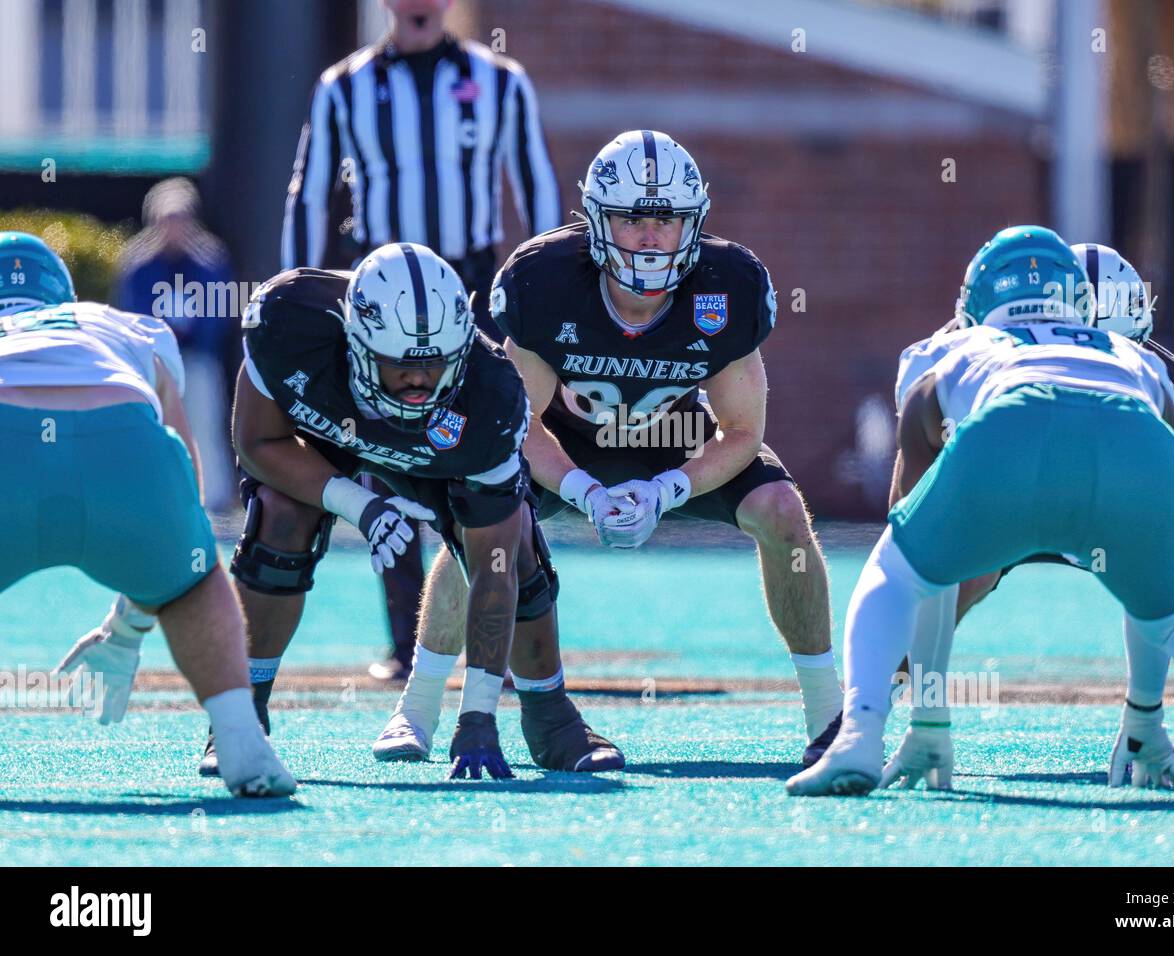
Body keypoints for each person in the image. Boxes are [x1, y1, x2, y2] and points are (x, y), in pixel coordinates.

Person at [377, 130, 842, 764]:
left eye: (667, 220)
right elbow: (517, 424)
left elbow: (741, 433)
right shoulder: (546, 282)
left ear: (694, 224)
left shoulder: (726, 286)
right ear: (598, 220)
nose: (651, 237)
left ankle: (828, 717)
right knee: (483, 524)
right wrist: (582, 489)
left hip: (675, 443)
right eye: (632, 219)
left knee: (784, 514)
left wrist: (666, 488)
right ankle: (417, 709)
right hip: (562, 443)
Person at [787, 225, 1174, 797]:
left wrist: (931, 724)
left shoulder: (949, 347)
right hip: (1128, 451)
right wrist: (1146, 723)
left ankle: (859, 733)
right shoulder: (1136, 357)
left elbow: (915, 548)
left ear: (975, 304)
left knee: (897, 571)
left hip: (1009, 441)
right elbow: (1162, 510)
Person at [198, 242, 620, 779]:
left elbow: (491, 570)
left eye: (436, 364)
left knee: (518, 558)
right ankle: (240, 719)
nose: (421, 382)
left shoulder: (490, 395)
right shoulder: (289, 319)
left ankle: (549, 717)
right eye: (402, 367)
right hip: (330, 433)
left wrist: (478, 713)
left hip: (437, 456)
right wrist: (362, 507)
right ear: (355, 339)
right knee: (277, 517)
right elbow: (257, 444)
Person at [281, 0, 562, 682]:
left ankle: (511, 631)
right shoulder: (342, 85)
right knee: (383, 458)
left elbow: (536, 185)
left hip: (470, 285)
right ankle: (408, 644)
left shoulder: (502, 79)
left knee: (494, 451)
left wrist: (548, 295)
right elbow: (309, 194)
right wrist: (290, 296)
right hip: (376, 288)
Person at [0, 231, 294, 797]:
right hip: (122, 437)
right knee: (195, 581)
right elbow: (186, 486)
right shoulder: (118, 325)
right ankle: (240, 740)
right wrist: (132, 623)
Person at [116, 177, 238, 510]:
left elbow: (220, 312)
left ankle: (213, 503)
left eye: (181, 219)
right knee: (152, 428)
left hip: (197, 360)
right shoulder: (139, 262)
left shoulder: (210, 259)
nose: (174, 228)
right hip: (154, 362)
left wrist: (195, 341)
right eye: (167, 219)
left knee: (206, 427)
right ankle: (151, 500)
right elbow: (131, 314)